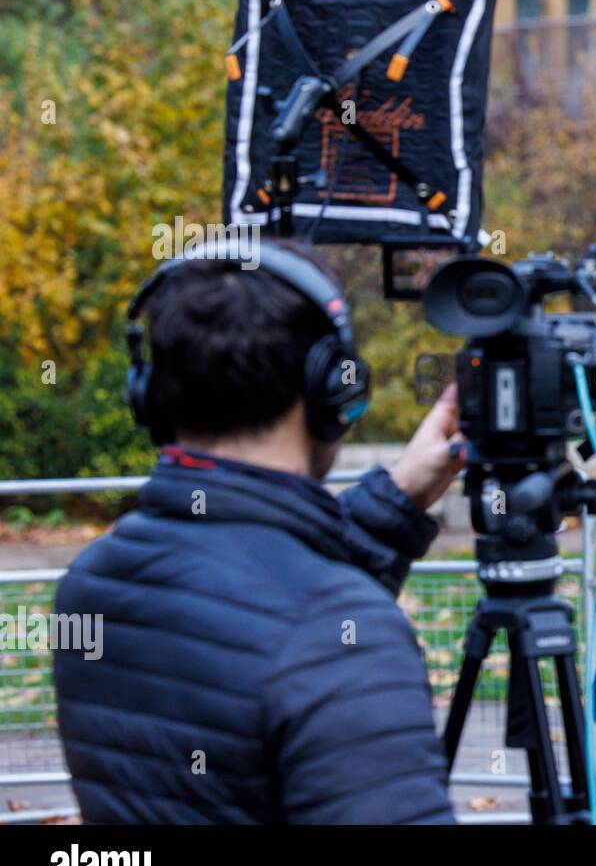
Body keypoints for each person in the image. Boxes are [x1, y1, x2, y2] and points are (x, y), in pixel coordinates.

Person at [53, 238, 466, 823]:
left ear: (150, 395)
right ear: (333, 389)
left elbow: (255, 606)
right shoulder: (340, 635)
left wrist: (398, 500)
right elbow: (292, 628)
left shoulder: (91, 585)